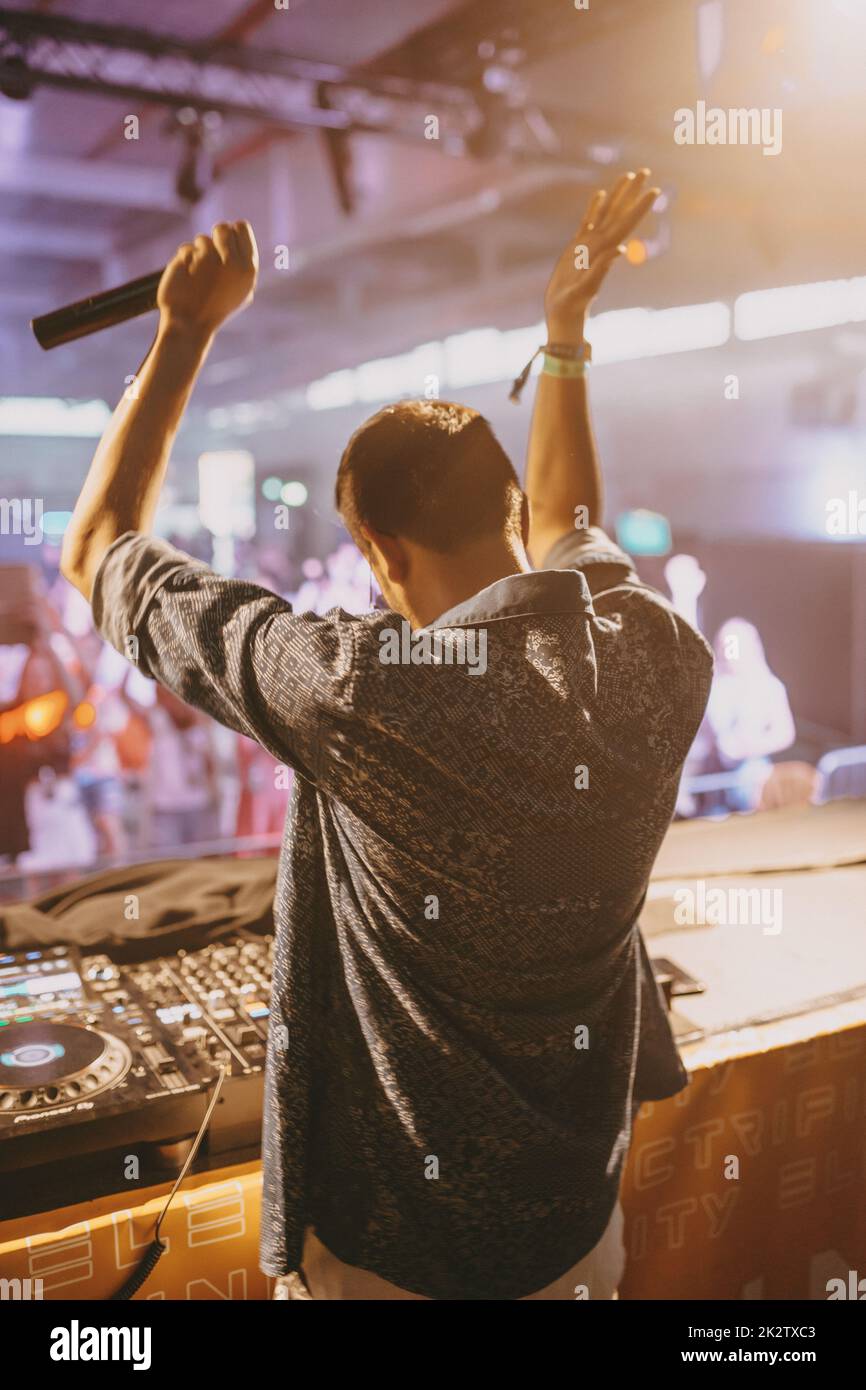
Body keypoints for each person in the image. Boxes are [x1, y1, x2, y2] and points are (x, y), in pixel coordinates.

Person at [60, 174, 713, 1301]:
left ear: (379, 552)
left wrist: (183, 331)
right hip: (577, 1228)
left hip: (393, 1255)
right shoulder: (656, 649)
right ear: (507, 513)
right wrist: (563, 334)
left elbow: (99, 548)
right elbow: (569, 527)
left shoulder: (361, 692)